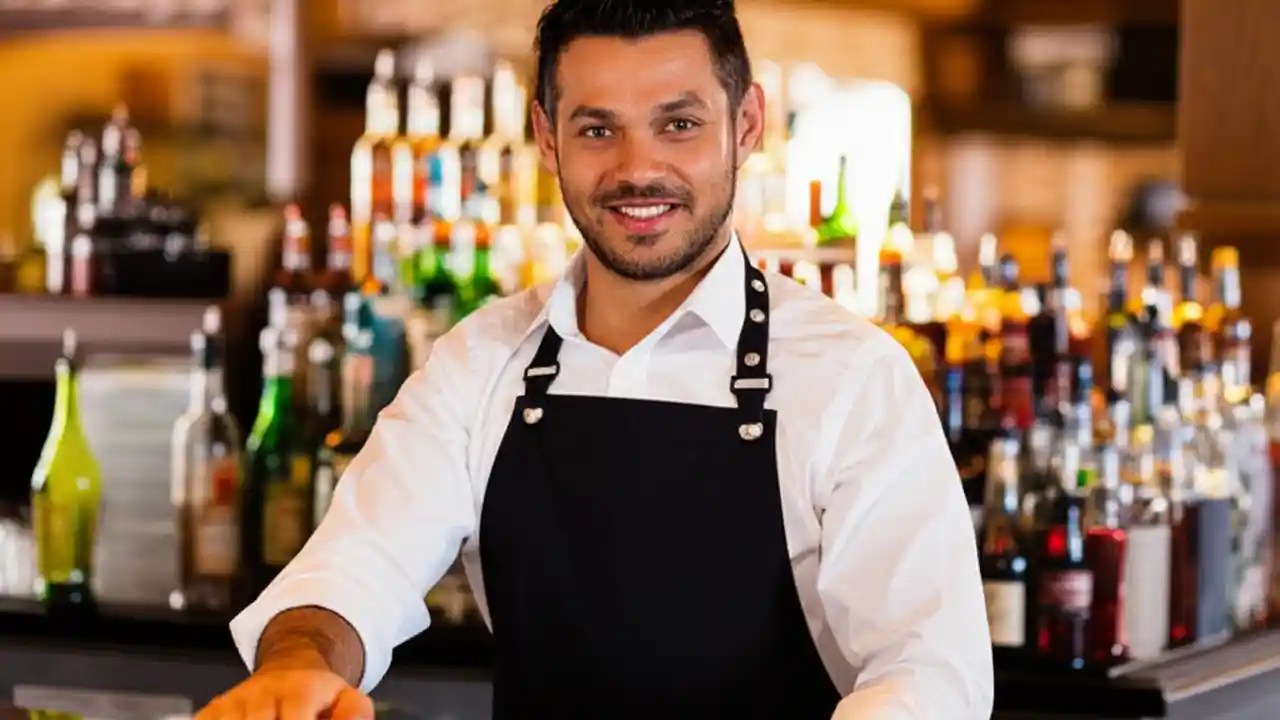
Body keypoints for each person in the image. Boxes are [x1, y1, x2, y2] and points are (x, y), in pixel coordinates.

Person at [199, 1, 993, 718]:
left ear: (747, 123)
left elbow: (927, 673)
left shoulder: (854, 378)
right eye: (597, 129)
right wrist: (298, 666)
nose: (637, 169)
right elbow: (354, 567)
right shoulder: (481, 362)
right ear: (547, 137)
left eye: (678, 124)